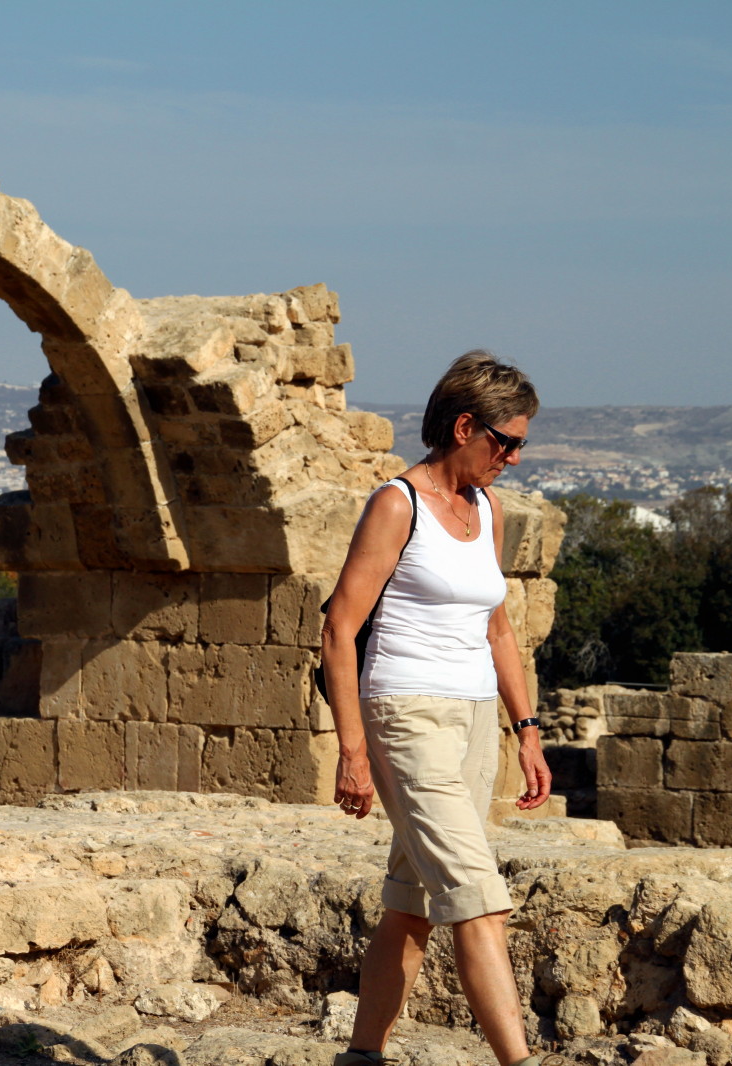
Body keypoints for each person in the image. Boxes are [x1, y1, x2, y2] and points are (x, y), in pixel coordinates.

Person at [319, 351, 558, 1066]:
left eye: (520, 444)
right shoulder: (399, 503)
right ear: (465, 426)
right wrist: (353, 751)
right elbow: (338, 627)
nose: (513, 458)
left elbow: (499, 629)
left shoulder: (488, 509)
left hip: (475, 722)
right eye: (507, 441)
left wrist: (528, 732)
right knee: (479, 894)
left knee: (413, 903)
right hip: (406, 715)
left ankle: (361, 1057)